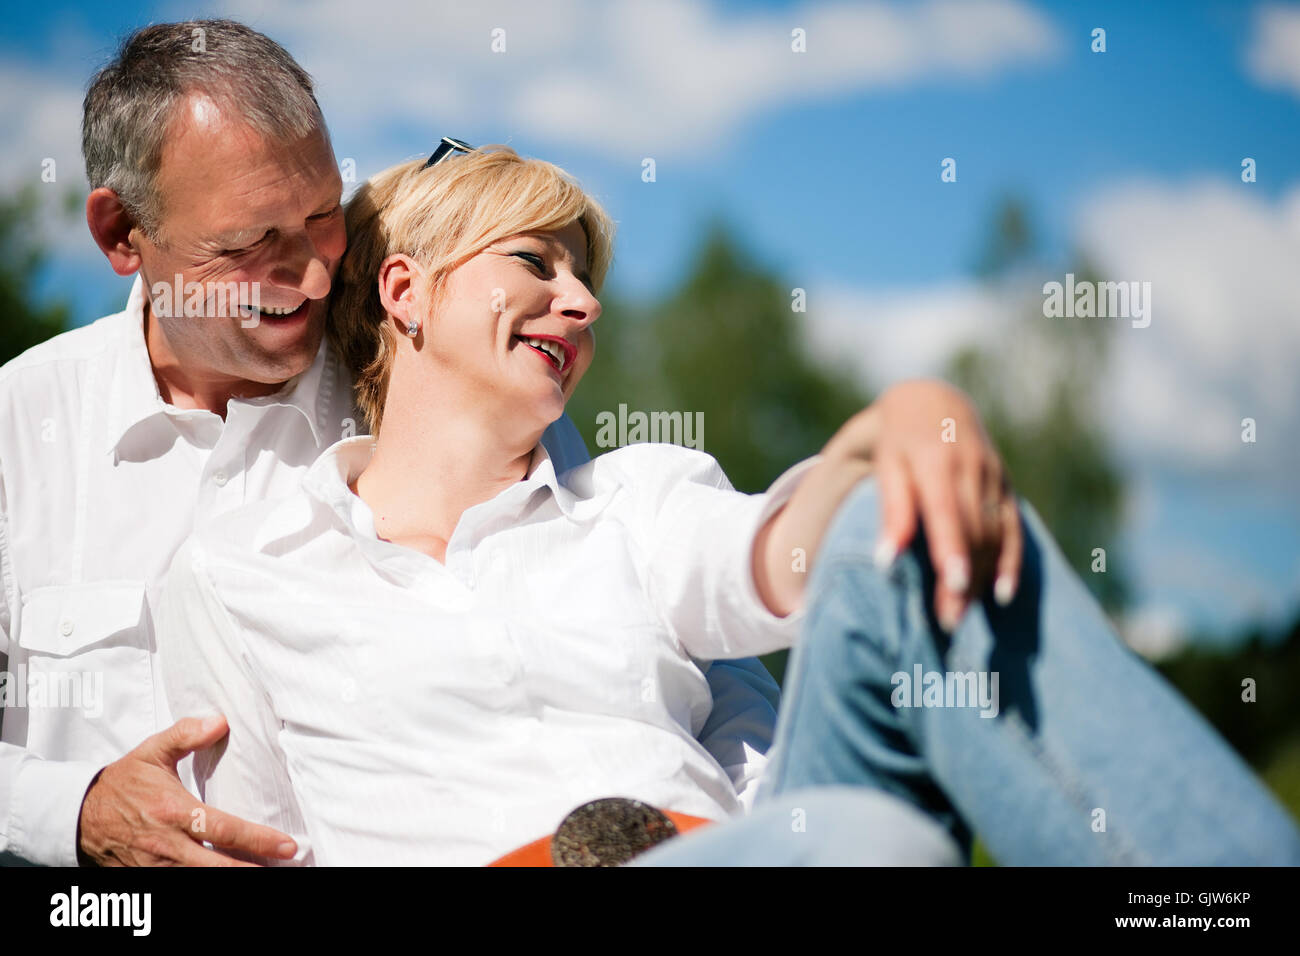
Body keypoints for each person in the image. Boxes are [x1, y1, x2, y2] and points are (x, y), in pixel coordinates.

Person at [159, 145, 1300, 865]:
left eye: (586, 275)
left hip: (745, 845)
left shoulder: (634, 502)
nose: (582, 300)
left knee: (891, 526)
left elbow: (780, 556)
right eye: (537, 262)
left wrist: (901, 421)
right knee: (874, 840)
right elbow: (253, 848)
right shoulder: (247, 571)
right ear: (405, 289)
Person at [0, 18, 772, 867]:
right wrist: (72, 812)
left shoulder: (435, 372)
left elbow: (679, 659)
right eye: (253, 243)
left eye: (323, 215)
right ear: (121, 235)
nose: (319, 274)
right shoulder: (20, 429)